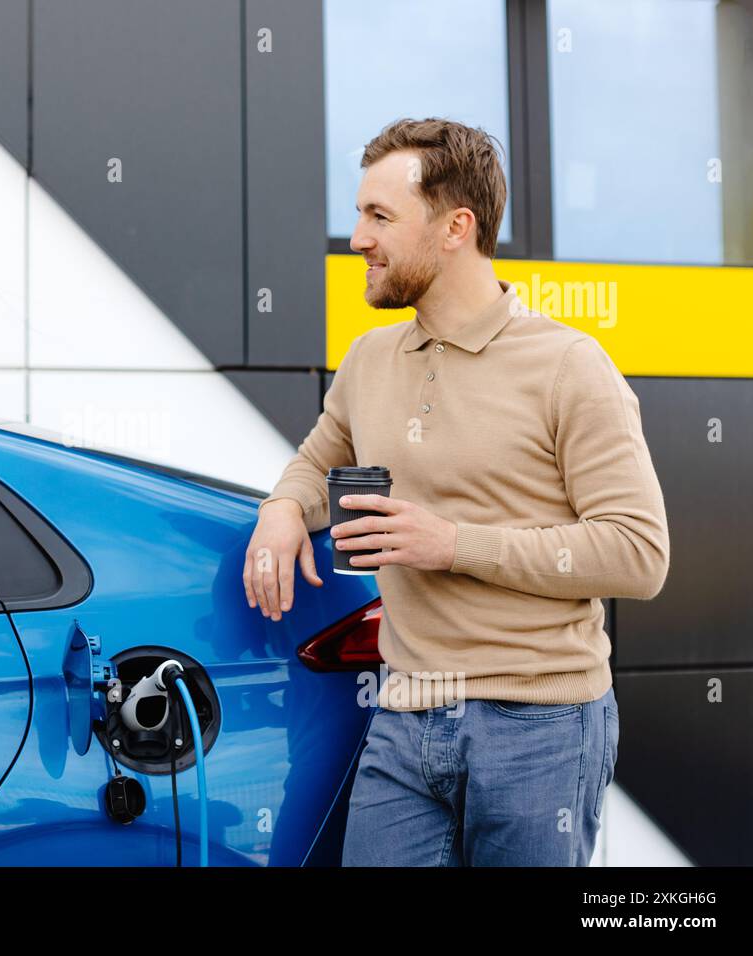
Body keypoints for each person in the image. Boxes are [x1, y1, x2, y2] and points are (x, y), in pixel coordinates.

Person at [242, 118, 670, 866]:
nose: (357, 238)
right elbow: (315, 465)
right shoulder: (370, 359)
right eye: (359, 214)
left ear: (454, 228)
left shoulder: (570, 365)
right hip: (404, 717)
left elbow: (639, 554)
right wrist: (282, 510)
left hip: (541, 725)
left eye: (380, 216)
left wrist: (453, 545)